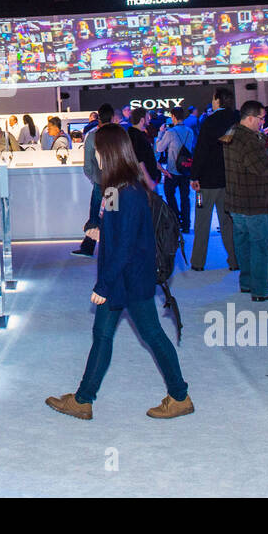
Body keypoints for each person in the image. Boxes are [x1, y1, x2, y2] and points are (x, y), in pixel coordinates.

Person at [45, 123, 193, 421]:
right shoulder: (115, 186)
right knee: (104, 335)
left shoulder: (127, 190)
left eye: (97, 150)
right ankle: (84, 399)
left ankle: (179, 396)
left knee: (150, 335)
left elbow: (125, 246)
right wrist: (99, 232)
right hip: (124, 276)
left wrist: (103, 285)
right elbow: (114, 226)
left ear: (108, 151)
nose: (94, 156)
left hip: (128, 278)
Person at [221, 101, 268, 301]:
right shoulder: (248, 140)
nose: (262, 122)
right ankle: (260, 289)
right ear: (250, 118)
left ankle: (247, 283)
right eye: (260, 118)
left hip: (236, 199)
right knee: (261, 246)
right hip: (255, 202)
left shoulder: (231, 132)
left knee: (243, 244)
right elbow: (262, 168)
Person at [189, 88, 240, 272]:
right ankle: (235, 261)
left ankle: (198, 262)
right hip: (229, 179)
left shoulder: (209, 121)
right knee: (228, 222)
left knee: (202, 221)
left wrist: (194, 176)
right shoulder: (237, 119)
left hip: (206, 181)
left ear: (217, 100)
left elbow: (201, 151)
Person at [71, 104, 116, 258]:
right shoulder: (119, 134)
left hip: (100, 182)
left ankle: (89, 247)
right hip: (114, 182)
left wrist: (94, 178)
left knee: (95, 214)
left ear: (98, 117)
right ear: (112, 117)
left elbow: (87, 165)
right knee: (111, 213)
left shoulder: (92, 136)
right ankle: (109, 248)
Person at [156, 106, 195, 233]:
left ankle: (176, 219)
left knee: (169, 195)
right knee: (185, 197)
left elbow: (160, 148)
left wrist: (160, 133)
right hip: (186, 169)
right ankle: (186, 224)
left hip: (172, 170)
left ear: (173, 116)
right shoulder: (190, 131)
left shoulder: (170, 132)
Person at [127, 107, 161, 186]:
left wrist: (160, 168)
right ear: (142, 120)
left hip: (145, 180)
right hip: (143, 182)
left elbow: (147, 156)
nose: (149, 121)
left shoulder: (139, 134)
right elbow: (139, 160)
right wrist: (148, 180)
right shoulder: (135, 136)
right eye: (147, 118)